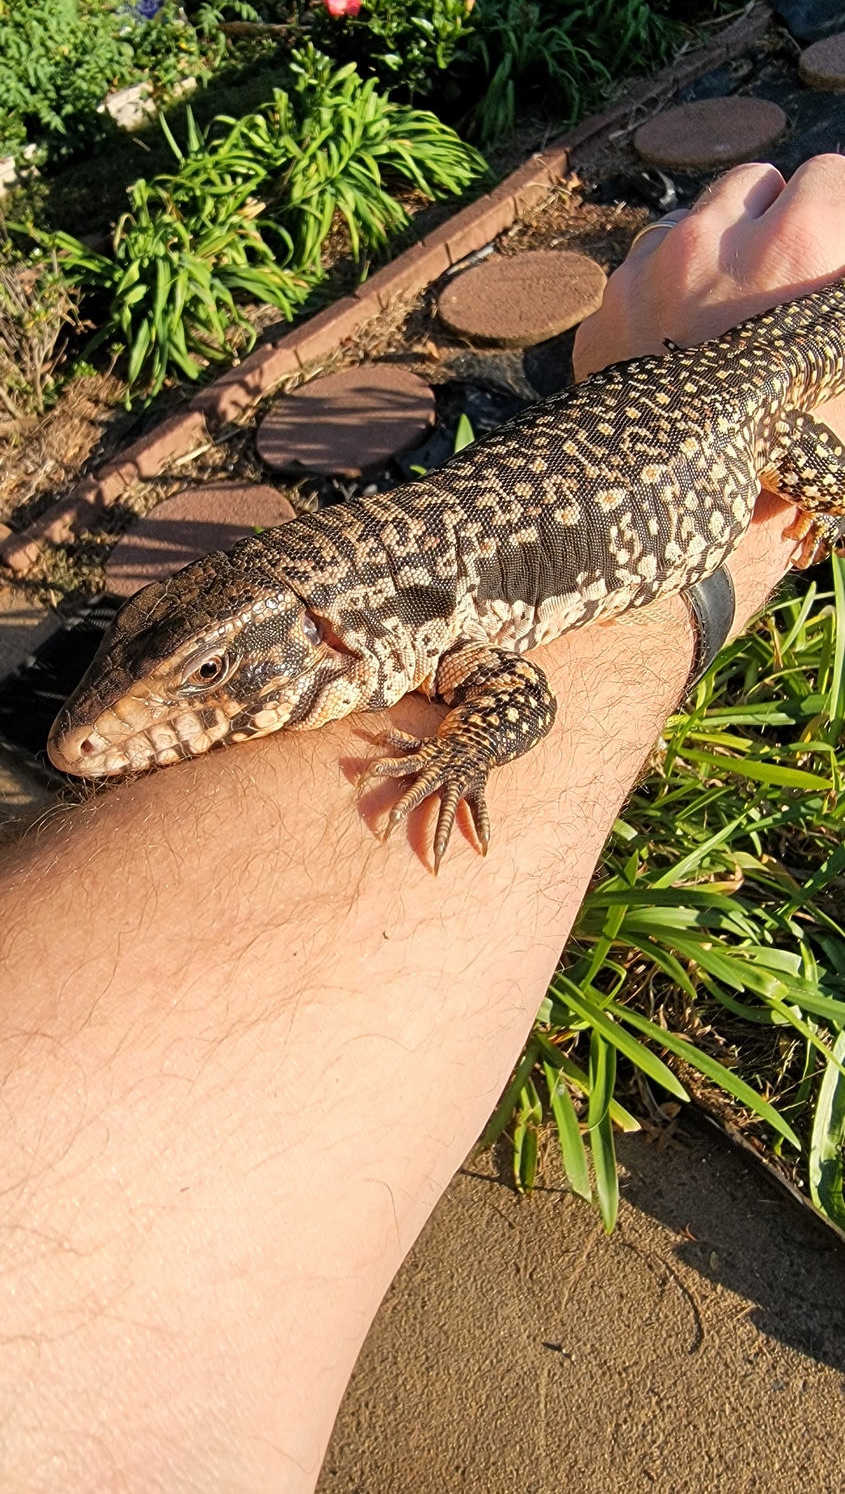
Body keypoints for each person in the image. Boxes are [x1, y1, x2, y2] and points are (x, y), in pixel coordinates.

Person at [1, 156, 844, 1494]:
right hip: (678, 383)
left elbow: (515, 707)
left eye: (210, 683)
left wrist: (456, 757)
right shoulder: (400, 611)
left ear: (323, 637)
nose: (100, 735)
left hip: (738, 400)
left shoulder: (433, 628)